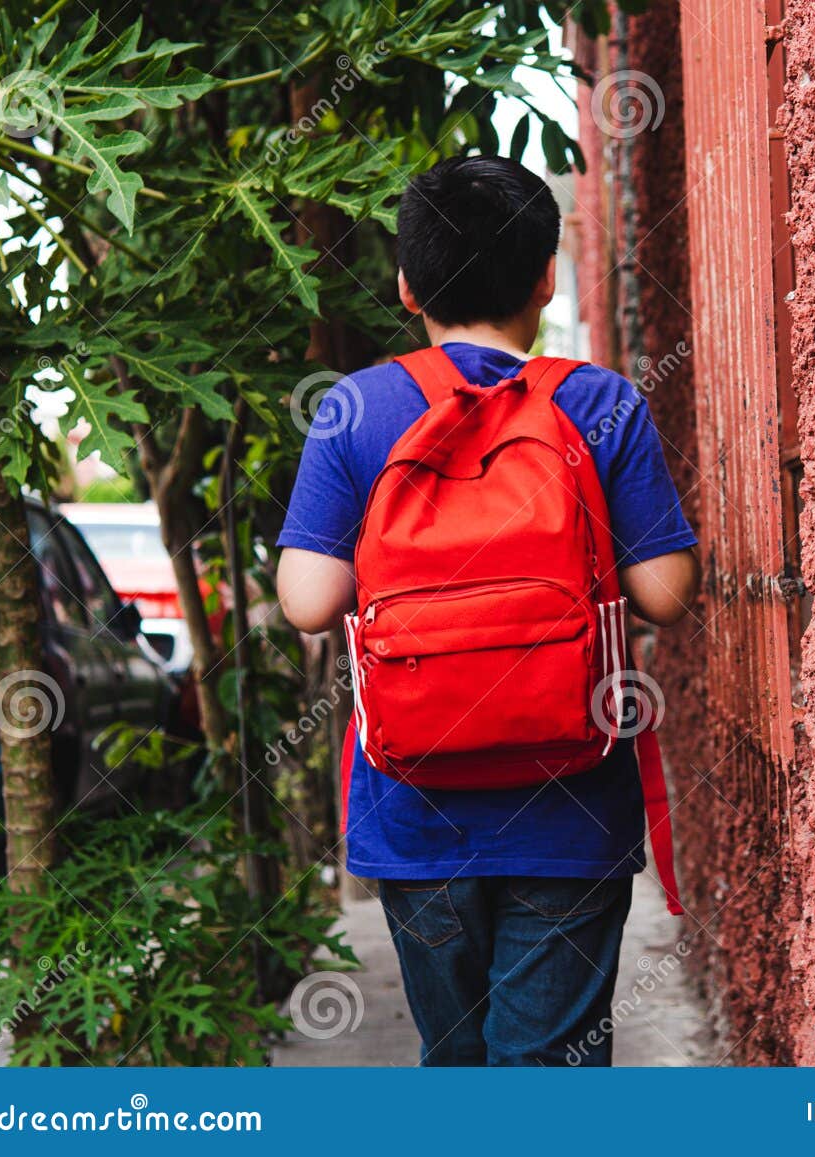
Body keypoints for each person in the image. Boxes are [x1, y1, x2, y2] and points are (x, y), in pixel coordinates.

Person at [276, 154, 699, 1066]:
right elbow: (665, 594)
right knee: (545, 1071)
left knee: (456, 1062)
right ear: (549, 276)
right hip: (572, 808)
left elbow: (309, 602)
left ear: (405, 284)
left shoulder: (355, 409)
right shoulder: (601, 403)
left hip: (414, 811)